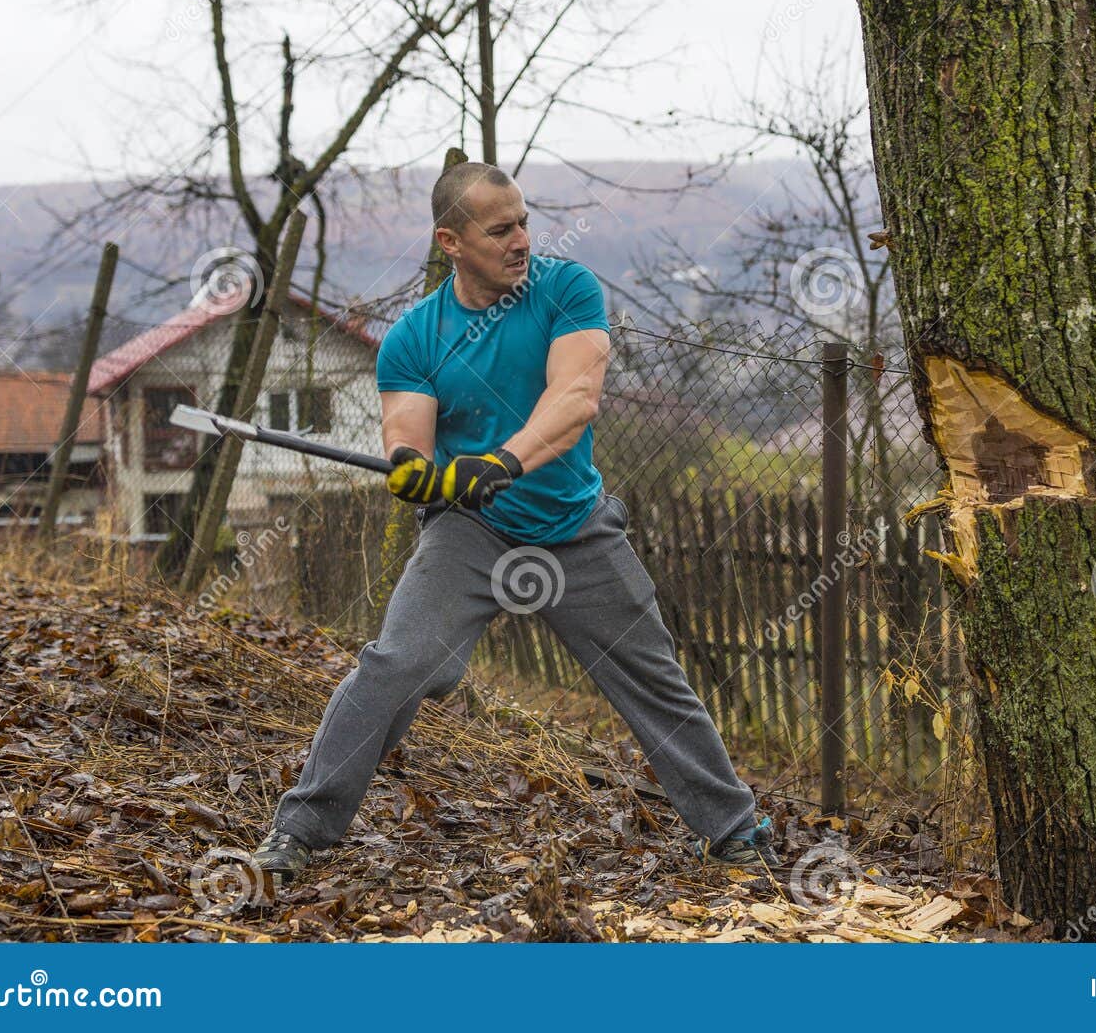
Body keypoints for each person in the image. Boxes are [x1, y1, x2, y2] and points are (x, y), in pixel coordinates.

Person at [244, 162, 779, 885]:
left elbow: (577, 396)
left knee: (651, 673)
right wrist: (410, 466)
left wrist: (501, 459)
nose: (522, 238)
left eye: (524, 221)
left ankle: (732, 831)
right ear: (451, 241)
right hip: (473, 531)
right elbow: (407, 431)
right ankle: (300, 830)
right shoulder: (415, 337)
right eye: (501, 229)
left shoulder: (566, 290)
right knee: (398, 663)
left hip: (572, 525)